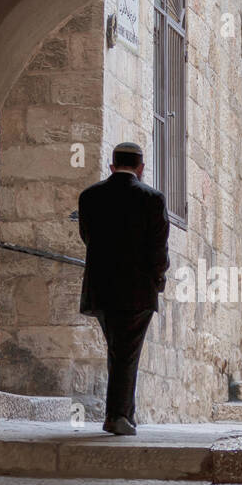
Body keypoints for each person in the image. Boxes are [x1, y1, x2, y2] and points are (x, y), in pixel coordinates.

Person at [77, 141, 170, 435]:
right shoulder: (152, 199)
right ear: (141, 168)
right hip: (137, 289)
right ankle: (117, 416)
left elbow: (88, 237)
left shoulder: (89, 196)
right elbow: (158, 247)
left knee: (119, 350)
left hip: (102, 288)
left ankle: (124, 413)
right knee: (126, 352)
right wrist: (159, 274)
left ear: (112, 166)